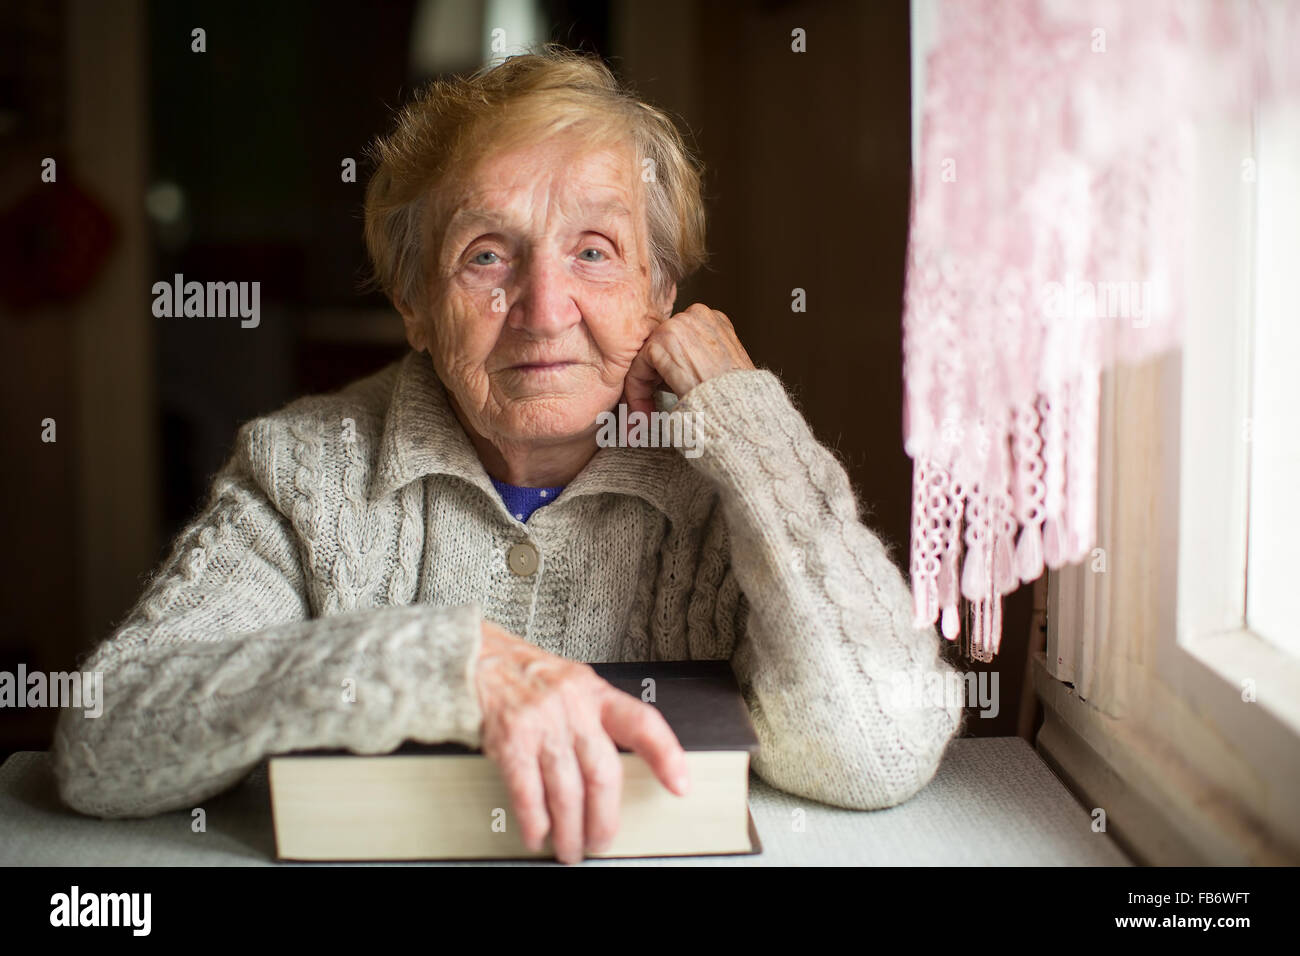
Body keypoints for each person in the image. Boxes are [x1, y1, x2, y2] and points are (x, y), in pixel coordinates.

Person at [53, 46, 964, 864]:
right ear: (414, 301)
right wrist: (445, 664)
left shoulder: (728, 475)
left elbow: (879, 745)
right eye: (487, 256)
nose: (543, 306)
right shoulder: (307, 471)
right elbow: (102, 743)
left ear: (661, 292)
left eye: (596, 252)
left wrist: (748, 419)